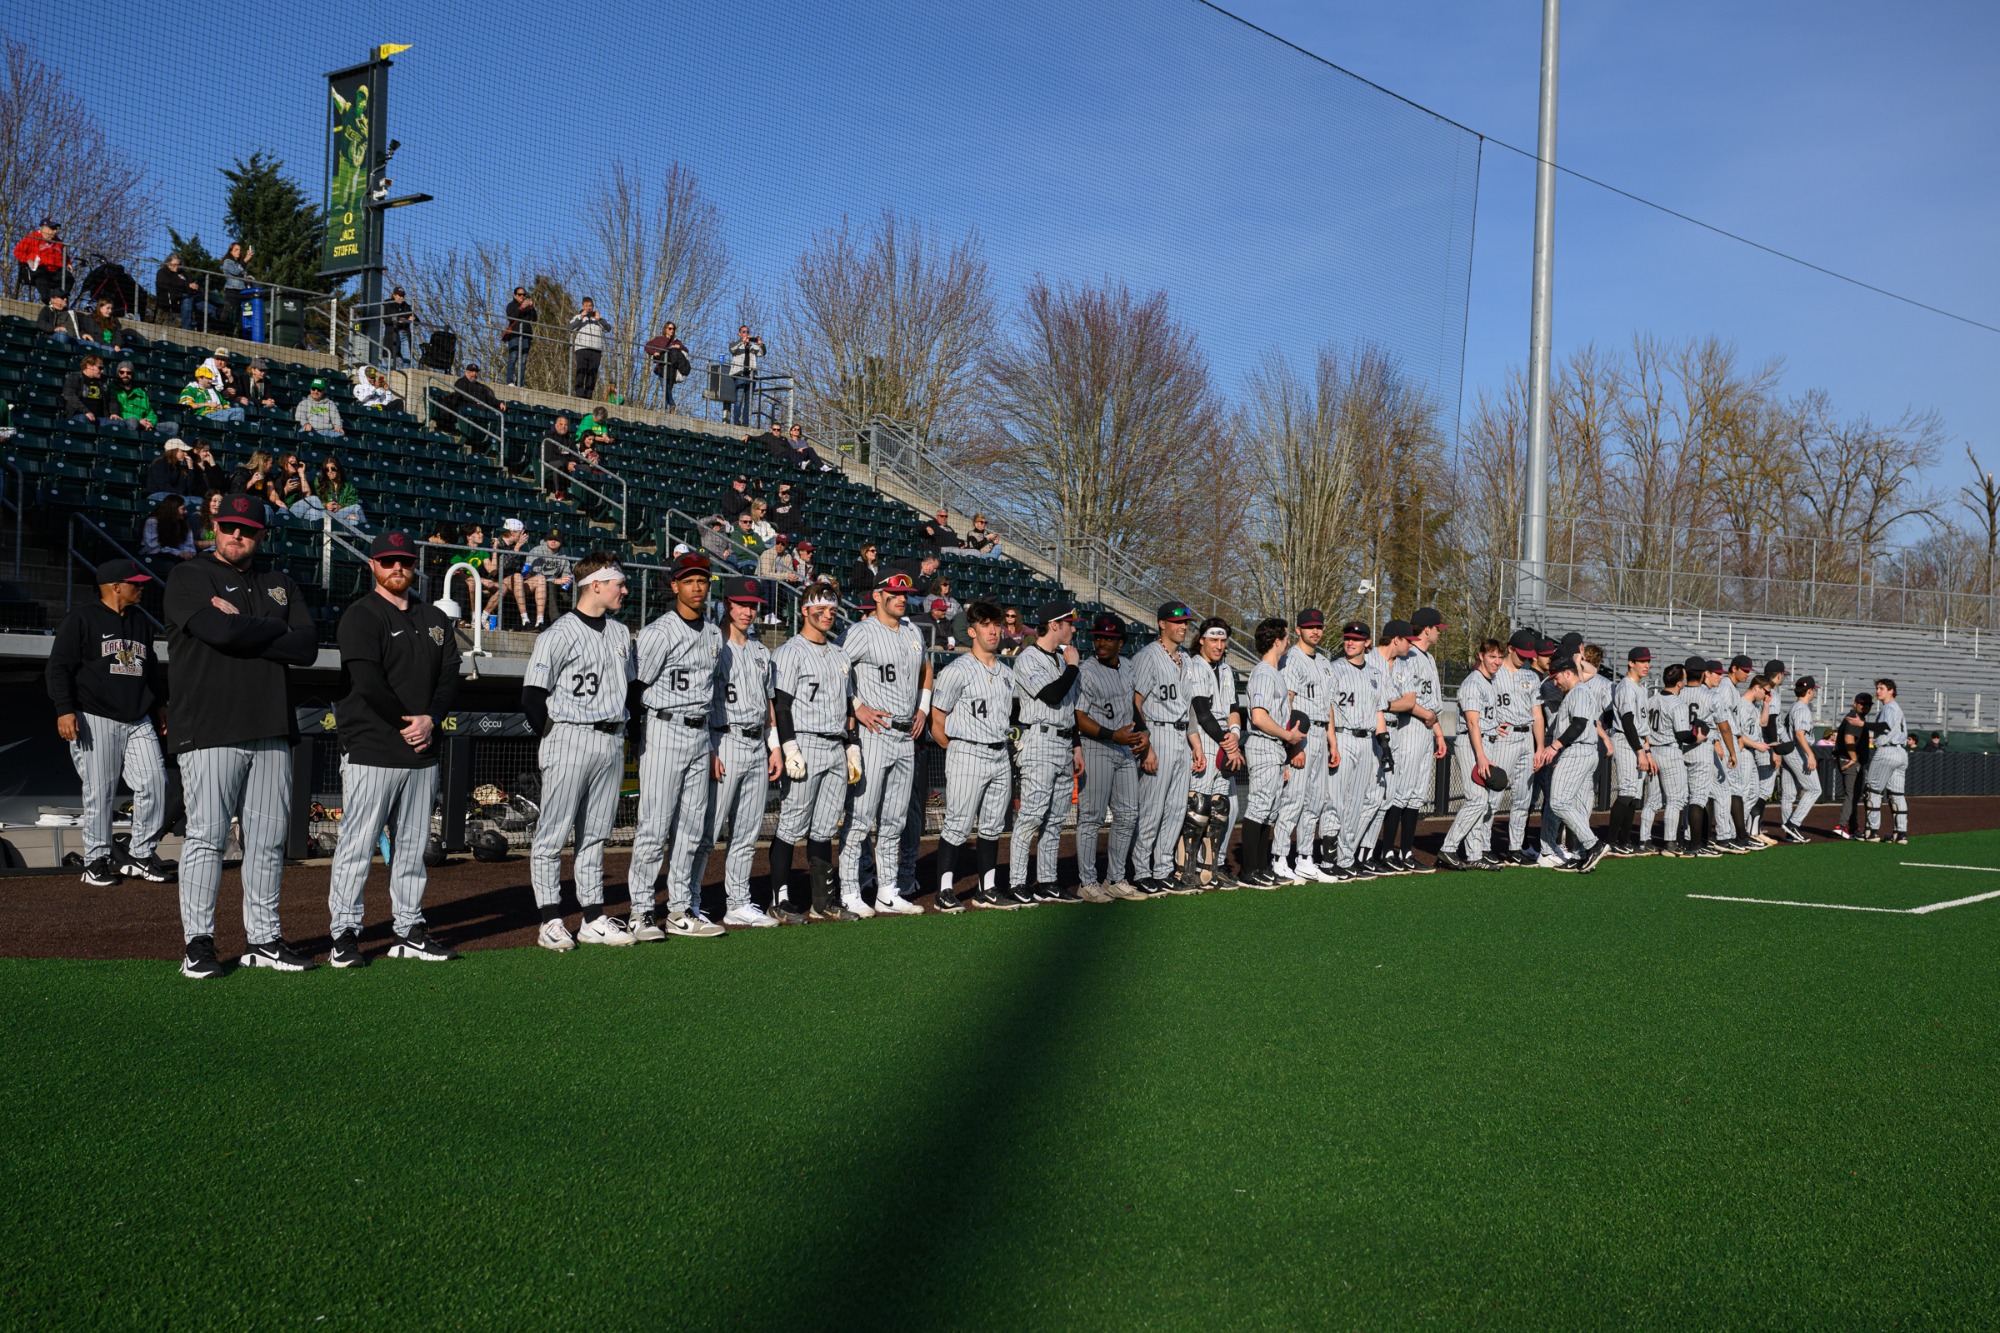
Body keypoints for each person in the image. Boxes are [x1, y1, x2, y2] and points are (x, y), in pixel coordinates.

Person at [163, 493, 317, 977]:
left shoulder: (279, 582)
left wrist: (246, 626)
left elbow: (308, 647)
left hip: (271, 726)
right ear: (215, 527)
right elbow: (221, 635)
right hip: (210, 726)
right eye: (229, 527)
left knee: (268, 842)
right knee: (207, 837)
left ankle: (265, 939)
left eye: (247, 530)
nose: (237, 536)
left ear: (260, 535)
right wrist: (272, 631)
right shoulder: (189, 575)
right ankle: (198, 944)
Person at [325, 530, 462, 967]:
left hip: (422, 749)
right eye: (387, 561)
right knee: (357, 844)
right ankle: (344, 933)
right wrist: (409, 722)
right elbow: (368, 683)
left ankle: (408, 928)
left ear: (414, 564)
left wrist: (431, 719)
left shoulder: (434, 618)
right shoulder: (362, 615)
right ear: (373, 566)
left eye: (403, 560)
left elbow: (449, 678)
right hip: (372, 746)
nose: (397, 567)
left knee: (413, 845)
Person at [522, 552, 638, 950]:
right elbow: (532, 696)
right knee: (553, 834)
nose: (624, 589)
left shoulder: (622, 634)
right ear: (596, 585)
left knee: (595, 834)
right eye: (618, 583)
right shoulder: (558, 633)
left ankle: (591, 917)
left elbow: (633, 690)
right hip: (570, 734)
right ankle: (550, 919)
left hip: (611, 737)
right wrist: (553, 737)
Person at [619, 552, 728, 940]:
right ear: (675, 585)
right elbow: (635, 687)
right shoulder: (658, 632)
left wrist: (713, 743)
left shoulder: (715, 633)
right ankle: (641, 911)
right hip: (664, 728)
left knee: (692, 827)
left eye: (703, 580)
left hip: (700, 734)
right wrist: (635, 737)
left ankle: (680, 909)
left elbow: (714, 692)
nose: (697, 587)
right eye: (690, 580)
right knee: (655, 825)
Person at [45, 559, 173, 888]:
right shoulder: (81, 620)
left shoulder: (141, 622)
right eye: (135, 583)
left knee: (155, 783)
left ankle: (142, 854)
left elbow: (151, 667)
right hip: (93, 715)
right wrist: (64, 709)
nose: (141, 587)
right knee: (99, 792)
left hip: (138, 717)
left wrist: (160, 704)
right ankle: (95, 861)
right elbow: (58, 667)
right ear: (116, 586)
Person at [837, 568, 934, 917]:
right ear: (877, 595)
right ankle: (849, 891)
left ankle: (887, 891)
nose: (901, 599)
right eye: (893, 593)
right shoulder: (861, 631)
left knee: (894, 820)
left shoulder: (912, 631)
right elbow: (836, 667)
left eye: (904, 594)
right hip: (874, 733)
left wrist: (923, 707)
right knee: (861, 817)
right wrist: (857, 706)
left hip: (906, 733)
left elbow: (927, 667)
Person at [767, 582, 858, 921]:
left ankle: (824, 901)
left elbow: (849, 706)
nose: (827, 615)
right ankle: (779, 899)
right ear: (804, 610)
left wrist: (852, 746)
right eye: (820, 610)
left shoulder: (839, 653)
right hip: (804, 741)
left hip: (835, 745)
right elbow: (781, 704)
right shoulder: (790, 650)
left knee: (823, 829)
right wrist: (787, 745)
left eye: (832, 610)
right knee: (792, 824)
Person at [702, 579, 787, 925]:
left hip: (756, 743)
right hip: (724, 739)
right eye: (741, 604)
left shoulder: (760, 651)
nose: (748, 612)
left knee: (747, 832)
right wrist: (709, 749)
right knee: (708, 831)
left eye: (753, 606)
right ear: (726, 604)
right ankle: (689, 902)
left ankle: (738, 903)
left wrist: (776, 747)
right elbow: (702, 699)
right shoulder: (712, 644)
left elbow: (769, 705)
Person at [928, 601, 1015, 910]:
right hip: (967, 750)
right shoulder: (957, 670)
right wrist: (955, 751)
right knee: (958, 824)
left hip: (999, 753)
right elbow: (937, 720)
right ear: (972, 630)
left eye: (997, 624)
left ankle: (987, 888)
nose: (993, 630)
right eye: (986, 625)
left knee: (993, 826)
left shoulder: (1007, 673)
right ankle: (944, 891)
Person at [1003, 602, 1084, 906]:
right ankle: (1017, 882)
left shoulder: (1063, 661)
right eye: (1069, 623)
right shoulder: (1028, 658)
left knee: (1056, 819)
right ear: (1054, 625)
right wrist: (1073, 667)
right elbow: (1051, 695)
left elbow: (1070, 709)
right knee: (1032, 816)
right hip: (1039, 740)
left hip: (1063, 741)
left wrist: (1076, 746)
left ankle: (1047, 881)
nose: (1073, 629)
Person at [1073, 614, 1150, 899]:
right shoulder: (1086, 670)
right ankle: (1087, 882)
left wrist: (1144, 733)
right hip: (1096, 746)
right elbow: (1078, 717)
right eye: (1098, 637)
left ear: (1121, 643)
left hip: (1123, 748)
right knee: (1091, 817)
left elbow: (1132, 706)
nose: (1102, 642)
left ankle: (1115, 878)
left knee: (1128, 813)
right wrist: (1111, 735)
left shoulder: (1128, 667)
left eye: (1108, 638)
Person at [1127, 602, 1197, 895]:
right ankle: (1142, 870)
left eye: (1185, 623)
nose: (1183, 627)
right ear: (1161, 624)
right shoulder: (1147, 656)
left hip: (1181, 736)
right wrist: (1146, 746)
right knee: (1152, 808)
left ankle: (1164, 869)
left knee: (1176, 808)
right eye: (1176, 622)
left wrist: (1197, 745)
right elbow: (1135, 702)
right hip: (1158, 733)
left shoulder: (1187, 659)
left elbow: (1191, 708)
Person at [1379, 608, 1448, 871]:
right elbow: (1406, 700)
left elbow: (1432, 703)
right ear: (1427, 629)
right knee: (1401, 793)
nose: (1439, 632)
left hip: (1426, 730)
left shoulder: (1427, 658)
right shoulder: (1408, 656)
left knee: (1415, 794)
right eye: (1437, 628)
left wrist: (1439, 734)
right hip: (1409, 729)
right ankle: (1386, 852)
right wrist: (1427, 715)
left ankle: (1405, 853)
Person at [1538, 645, 1614, 874]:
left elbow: (1580, 723)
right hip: (1584, 752)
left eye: (1557, 676)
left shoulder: (1579, 692)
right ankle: (1583, 854)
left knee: (1559, 802)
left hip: (1578, 751)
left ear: (1568, 673)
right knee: (1577, 806)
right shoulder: (1578, 692)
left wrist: (1555, 746)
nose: (1554, 682)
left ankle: (1593, 845)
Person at [1268, 608, 1331, 881]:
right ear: (1298, 630)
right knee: (1293, 800)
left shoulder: (1324, 661)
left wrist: (1334, 743)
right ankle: (1279, 858)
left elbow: (1328, 707)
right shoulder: (1292, 659)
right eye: (1309, 627)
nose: (1315, 631)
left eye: (1319, 626)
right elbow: (1287, 702)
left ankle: (1305, 857)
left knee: (1315, 802)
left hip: (1321, 734)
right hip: (1301, 735)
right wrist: (1293, 746)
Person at [1435, 638, 1508, 872]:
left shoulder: (1490, 681)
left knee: (1482, 801)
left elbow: (1481, 721)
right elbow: (1472, 724)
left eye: (1499, 657)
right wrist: (1482, 757)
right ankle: (1448, 848)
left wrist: (1493, 727)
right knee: (1477, 800)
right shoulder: (1473, 683)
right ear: (1481, 656)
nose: (1496, 661)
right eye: (1492, 656)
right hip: (1471, 744)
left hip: (1484, 740)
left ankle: (1475, 854)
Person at [1326, 620, 1391, 878]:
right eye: (1347, 638)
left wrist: (1385, 745)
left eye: (1356, 638)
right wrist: (1332, 741)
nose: (1350, 642)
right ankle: (1328, 861)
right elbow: (1328, 707)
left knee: (1356, 804)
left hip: (1368, 742)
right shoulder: (1335, 669)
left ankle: (1346, 858)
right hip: (1343, 736)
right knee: (1336, 801)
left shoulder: (1376, 673)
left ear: (1367, 642)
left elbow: (1379, 713)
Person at [1183, 616, 1243, 888]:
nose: (1218, 645)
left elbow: (1234, 708)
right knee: (1198, 808)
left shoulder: (1227, 670)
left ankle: (1212, 868)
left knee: (1222, 808)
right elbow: (1200, 710)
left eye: (1222, 641)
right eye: (1214, 640)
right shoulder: (1194, 666)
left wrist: (1235, 735)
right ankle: (1186, 869)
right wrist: (1226, 742)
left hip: (1225, 738)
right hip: (1206, 738)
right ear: (1202, 640)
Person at [1634, 663, 1691, 856]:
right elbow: (1683, 735)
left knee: (1652, 800)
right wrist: (1699, 736)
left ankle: (1643, 841)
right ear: (1680, 683)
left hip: (1652, 750)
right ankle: (1670, 843)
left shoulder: (1652, 699)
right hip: (1669, 751)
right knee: (1675, 799)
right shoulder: (1677, 704)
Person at [1605, 646, 1656, 855]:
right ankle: (1610, 841)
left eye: (1648, 661)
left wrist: (1648, 750)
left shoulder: (1641, 688)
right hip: (1625, 739)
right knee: (1627, 790)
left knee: (1634, 794)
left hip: (1638, 742)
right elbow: (1627, 721)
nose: (1646, 665)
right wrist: (1640, 750)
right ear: (1631, 663)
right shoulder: (1625, 687)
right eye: (1641, 661)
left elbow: (1641, 724)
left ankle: (1624, 841)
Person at [1773, 676, 1821, 842]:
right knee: (1815, 789)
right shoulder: (1802, 708)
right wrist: (1810, 754)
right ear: (1810, 691)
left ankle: (1789, 831)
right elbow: (1800, 734)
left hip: (1788, 751)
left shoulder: (1794, 706)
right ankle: (1793, 824)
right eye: (1814, 689)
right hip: (1797, 751)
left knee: (1789, 795)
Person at [1862, 679, 1910, 843]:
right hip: (1901, 752)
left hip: (1887, 750)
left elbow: (1884, 727)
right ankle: (1900, 834)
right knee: (1897, 794)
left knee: (1872, 791)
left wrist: (1863, 724)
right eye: (1877, 688)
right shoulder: (1897, 708)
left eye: (1881, 688)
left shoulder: (1889, 707)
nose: (1878, 691)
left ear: (1891, 691)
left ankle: (1871, 831)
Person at [1833, 692, 1875, 837]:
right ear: (1855, 703)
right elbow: (1848, 738)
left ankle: (1852, 827)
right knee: (1852, 795)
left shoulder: (1854, 717)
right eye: (1862, 703)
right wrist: (1853, 757)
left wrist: (1838, 753)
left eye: (1868, 704)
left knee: (1854, 795)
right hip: (1850, 761)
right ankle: (1842, 825)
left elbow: (1841, 738)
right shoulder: (1855, 718)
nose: (1865, 706)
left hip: (1845, 758)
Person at [483, 519, 532, 627]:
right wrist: (517, 548)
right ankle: (525, 618)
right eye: (521, 533)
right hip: (495, 581)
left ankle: (534, 621)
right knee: (518, 577)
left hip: (511, 581)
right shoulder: (495, 543)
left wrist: (527, 572)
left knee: (538, 579)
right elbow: (500, 568)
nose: (523, 536)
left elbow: (517, 567)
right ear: (513, 532)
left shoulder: (514, 545)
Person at [109, 361, 174, 436]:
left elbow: (151, 413)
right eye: (122, 372)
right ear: (118, 373)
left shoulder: (141, 392)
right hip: (125, 422)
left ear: (132, 374)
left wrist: (149, 423)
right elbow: (116, 412)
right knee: (133, 422)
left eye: (128, 373)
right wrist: (139, 421)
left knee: (173, 427)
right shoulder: (112, 390)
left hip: (143, 423)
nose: (125, 375)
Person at [523, 530, 573, 627]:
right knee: (550, 585)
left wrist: (566, 579)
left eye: (557, 540)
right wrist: (554, 580)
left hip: (555, 584)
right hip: (536, 583)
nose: (553, 541)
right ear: (546, 540)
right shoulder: (537, 551)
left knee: (576, 589)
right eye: (551, 539)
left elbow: (566, 573)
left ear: (561, 542)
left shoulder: (563, 556)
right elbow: (534, 574)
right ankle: (555, 620)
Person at [299, 455, 365, 529]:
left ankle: (364, 532)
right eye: (327, 470)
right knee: (311, 512)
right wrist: (326, 505)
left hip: (339, 514)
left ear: (338, 469)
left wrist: (340, 506)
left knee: (356, 511)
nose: (330, 471)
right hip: (323, 513)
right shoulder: (319, 482)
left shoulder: (348, 486)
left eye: (333, 469)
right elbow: (313, 500)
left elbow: (353, 502)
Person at [448, 364, 503, 452]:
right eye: (472, 372)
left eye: (476, 372)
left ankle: (494, 442)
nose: (475, 374)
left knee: (498, 415)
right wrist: (474, 401)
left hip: (482, 412)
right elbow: (460, 395)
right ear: (467, 372)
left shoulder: (480, 386)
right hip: (469, 411)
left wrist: (499, 403)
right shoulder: (461, 382)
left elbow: (489, 398)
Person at [14, 217, 67, 303]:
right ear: (43, 228)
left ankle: (62, 300)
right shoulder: (32, 237)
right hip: (35, 270)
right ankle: (48, 300)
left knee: (68, 278)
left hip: (54, 272)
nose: (54, 232)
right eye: (52, 229)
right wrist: (28, 260)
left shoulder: (58, 242)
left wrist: (68, 263)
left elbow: (65, 257)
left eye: (55, 229)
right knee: (41, 275)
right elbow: (18, 251)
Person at [643, 320, 692, 410]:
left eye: (673, 329)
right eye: (670, 328)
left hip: (672, 370)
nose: (672, 331)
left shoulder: (676, 342)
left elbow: (686, 350)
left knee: (666, 389)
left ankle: (665, 409)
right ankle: (671, 404)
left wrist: (679, 347)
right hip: (661, 367)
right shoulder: (659, 340)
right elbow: (647, 346)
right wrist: (654, 352)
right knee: (666, 388)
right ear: (665, 329)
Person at [569, 298, 609, 398]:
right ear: (583, 306)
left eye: (590, 306)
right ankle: (579, 391)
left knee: (592, 372)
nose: (588, 308)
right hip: (582, 348)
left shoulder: (599, 319)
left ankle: (589, 393)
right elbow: (570, 328)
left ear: (593, 306)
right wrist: (581, 317)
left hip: (596, 349)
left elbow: (608, 329)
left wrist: (599, 319)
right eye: (586, 306)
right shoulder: (578, 317)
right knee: (581, 370)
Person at [139, 496, 196, 565]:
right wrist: (179, 553)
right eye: (183, 509)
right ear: (173, 509)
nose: (186, 511)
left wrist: (188, 553)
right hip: (153, 558)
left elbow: (188, 545)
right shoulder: (152, 522)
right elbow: (153, 548)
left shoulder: (183, 524)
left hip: (177, 558)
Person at [726, 326, 765, 426]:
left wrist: (761, 344)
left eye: (747, 332)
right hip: (740, 375)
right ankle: (736, 422)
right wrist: (742, 341)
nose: (746, 333)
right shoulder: (736, 344)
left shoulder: (753, 346)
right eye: (744, 332)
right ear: (739, 333)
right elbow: (731, 349)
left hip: (751, 376)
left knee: (749, 402)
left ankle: (746, 423)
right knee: (738, 400)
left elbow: (762, 353)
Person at [154, 254, 204, 329]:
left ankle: (218, 319)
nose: (176, 267)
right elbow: (167, 284)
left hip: (190, 296)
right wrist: (187, 285)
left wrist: (194, 286)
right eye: (174, 264)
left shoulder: (184, 274)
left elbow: (191, 284)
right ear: (168, 263)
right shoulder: (162, 272)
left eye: (179, 265)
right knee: (187, 300)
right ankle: (187, 329)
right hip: (173, 298)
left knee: (206, 306)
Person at [180, 365, 244, 424]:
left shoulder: (214, 391)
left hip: (218, 414)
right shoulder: (190, 389)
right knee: (238, 411)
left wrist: (222, 408)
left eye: (211, 379)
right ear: (199, 378)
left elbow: (225, 405)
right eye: (208, 378)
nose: (210, 381)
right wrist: (208, 404)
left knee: (241, 413)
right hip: (203, 416)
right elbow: (186, 405)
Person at [62, 353, 112, 426]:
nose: (102, 371)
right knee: (83, 419)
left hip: (100, 418)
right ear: (89, 366)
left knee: (117, 423)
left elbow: (111, 399)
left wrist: (114, 413)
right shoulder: (74, 377)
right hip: (80, 415)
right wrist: (86, 412)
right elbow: (69, 395)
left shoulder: (103, 382)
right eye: (100, 368)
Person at [502, 286, 537, 386]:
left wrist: (531, 307)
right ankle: (510, 381)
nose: (522, 296)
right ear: (515, 295)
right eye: (520, 294)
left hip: (526, 335)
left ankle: (520, 383)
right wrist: (521, 308)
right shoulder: (511, 305)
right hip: (515, 334)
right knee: (513, 357)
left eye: (524, 295)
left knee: (523, 360)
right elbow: (511, 317)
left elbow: (534, 319)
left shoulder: (528, 307)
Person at [540, 414, 577, 498]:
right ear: (556, 425)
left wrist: (571, 463)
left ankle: (578, 497)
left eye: (566, 425)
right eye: (561, 424)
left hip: (565, 465)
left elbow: (575, 456)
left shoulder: (569, 440)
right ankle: (558, 493)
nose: (563, 427)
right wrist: (566, 463)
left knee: (583, 467)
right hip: (547, 465)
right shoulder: (549, 437)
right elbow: (548, 457)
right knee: (559, 464)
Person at [379, 286, 414, 368]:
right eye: (399, 295)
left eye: (402, 296)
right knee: (391, 354)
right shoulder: (387, 304)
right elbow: (385, 318)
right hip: (393, 333)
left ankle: (407, 372)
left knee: (407, 357)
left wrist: (412, 318)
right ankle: (391, 371)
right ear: (394, 295)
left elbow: (416, 320)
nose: (401, 298)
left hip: (405, 334)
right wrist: (397, 320)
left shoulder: (406, 306)